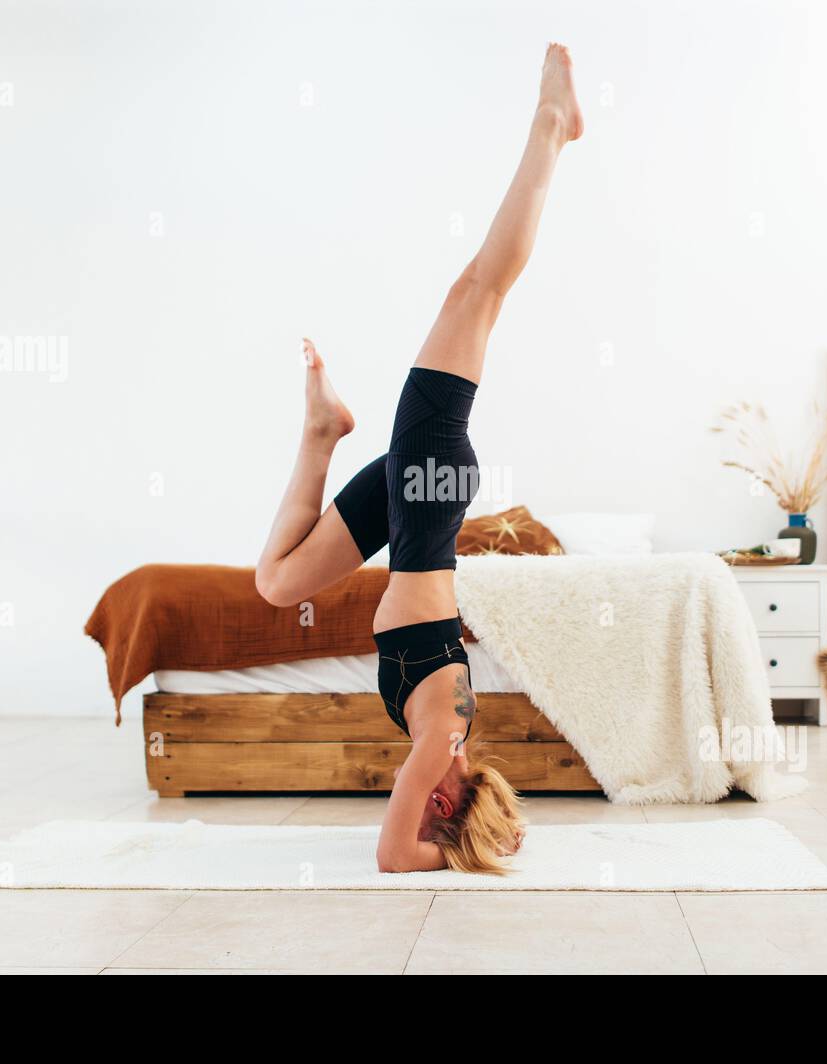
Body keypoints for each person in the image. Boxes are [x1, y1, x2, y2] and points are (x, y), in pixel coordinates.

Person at [256, 43, 582, 873]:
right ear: (451, 800)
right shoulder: (442, 737)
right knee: (477, 293)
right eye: (442, 815)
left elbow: (407, 845)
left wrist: (469, 842)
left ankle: (322, 433)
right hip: (428, 502)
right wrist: (463, 850)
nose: (423, 805)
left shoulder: (447, 738)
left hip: (413, 508)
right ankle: (550, 128)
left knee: (279, 582)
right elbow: (393, 858)